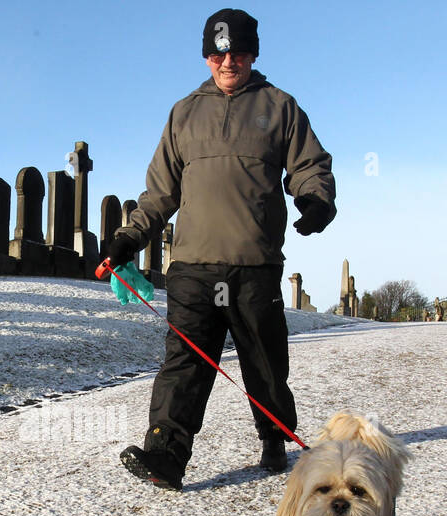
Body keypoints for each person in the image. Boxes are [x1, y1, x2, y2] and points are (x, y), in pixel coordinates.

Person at [105, 8, 337, 491]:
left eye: (237, 51)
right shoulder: (184, 112)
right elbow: (160, 193)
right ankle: (165, 456)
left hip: (254, 265)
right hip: (192, 266)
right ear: (206, 55)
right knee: (184, 365)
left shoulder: (280, 107)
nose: (227, 61)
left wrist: (315, 199)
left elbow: (308, 164)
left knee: (265, 363)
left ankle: (274, 436)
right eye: (217, 52)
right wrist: (129, 238)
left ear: (253, 53)